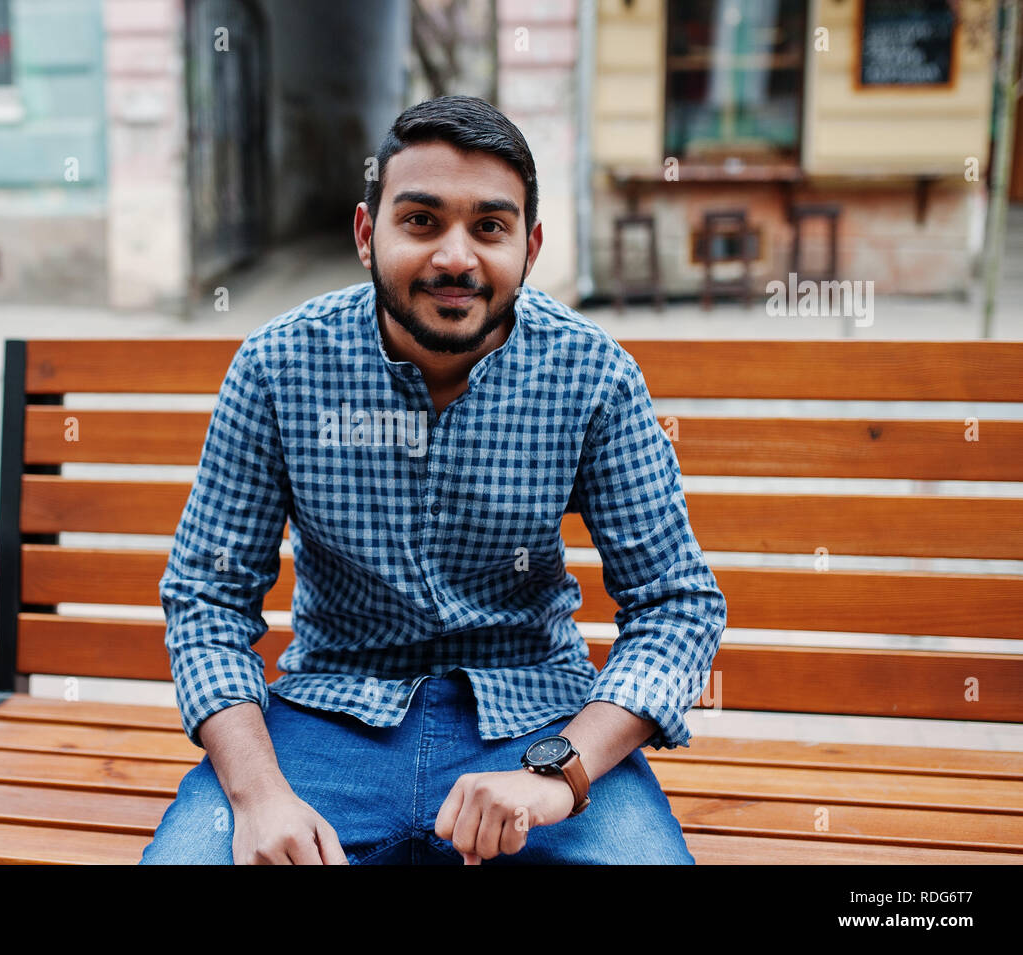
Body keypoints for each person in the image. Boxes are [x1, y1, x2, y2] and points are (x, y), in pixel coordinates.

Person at [139, 94, 726, 865]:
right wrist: (258, 795)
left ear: (530, 245)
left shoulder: (592, 375)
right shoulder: (279, 367)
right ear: (365, 233)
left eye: (490, 226)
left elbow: (676, 604)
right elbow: (208, 596)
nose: (456, 257)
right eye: (421, 221)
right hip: (324, 719)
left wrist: (560, 771)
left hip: (537, 721)